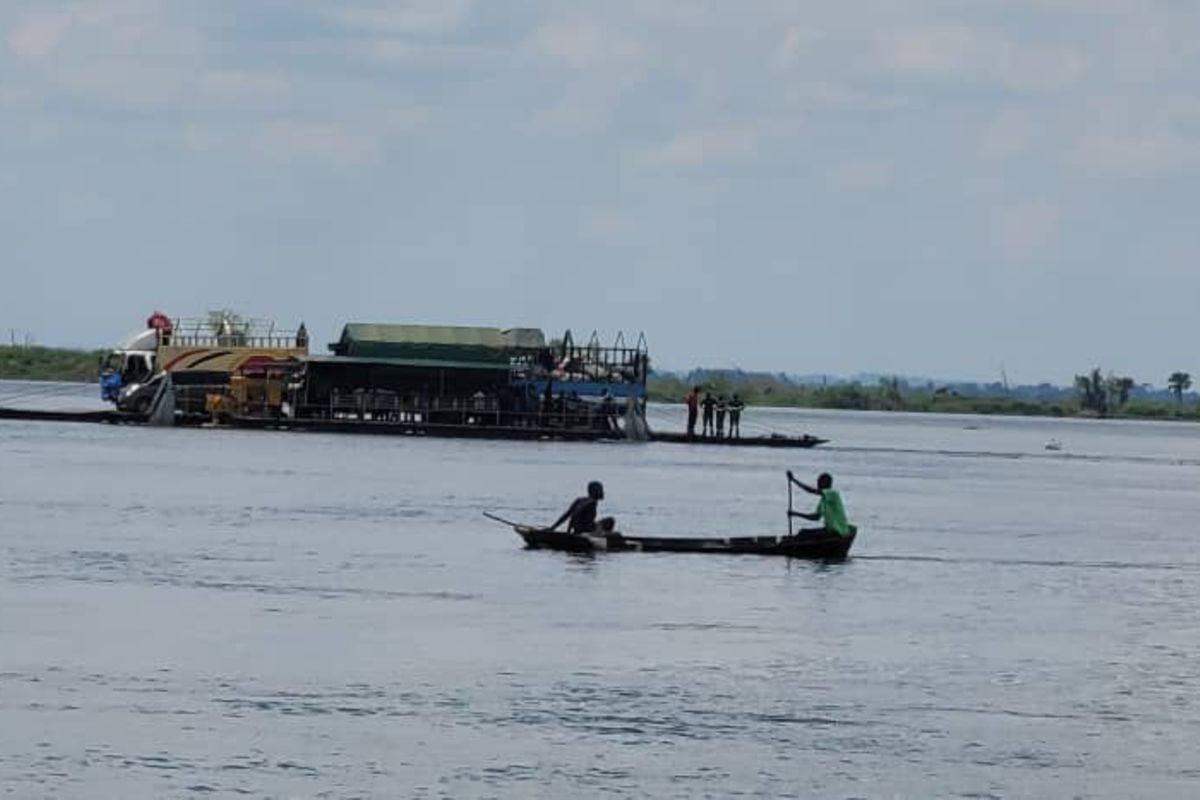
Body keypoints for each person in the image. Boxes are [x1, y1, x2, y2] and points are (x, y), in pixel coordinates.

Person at [786, 471, 852, 536]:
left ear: (825, 483)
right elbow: (815, 517)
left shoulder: (833, 493)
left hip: (838, 531)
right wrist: (796, 514)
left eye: (819, 482)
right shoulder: (823, 501)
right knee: (803, 532)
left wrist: (794, 480)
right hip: (829, 530)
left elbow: (811, 491)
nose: (818, 484)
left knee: (804, 534)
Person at [549, 481, 614, 534]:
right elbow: (575, 517)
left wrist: (553, 528)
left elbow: (567, 515)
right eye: (601, 490)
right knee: (610, 520)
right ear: (595, 491)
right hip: (586, 531)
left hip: (578, 529)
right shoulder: (592, 503)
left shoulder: (579, 500)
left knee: (605, 522)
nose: (603, 492)